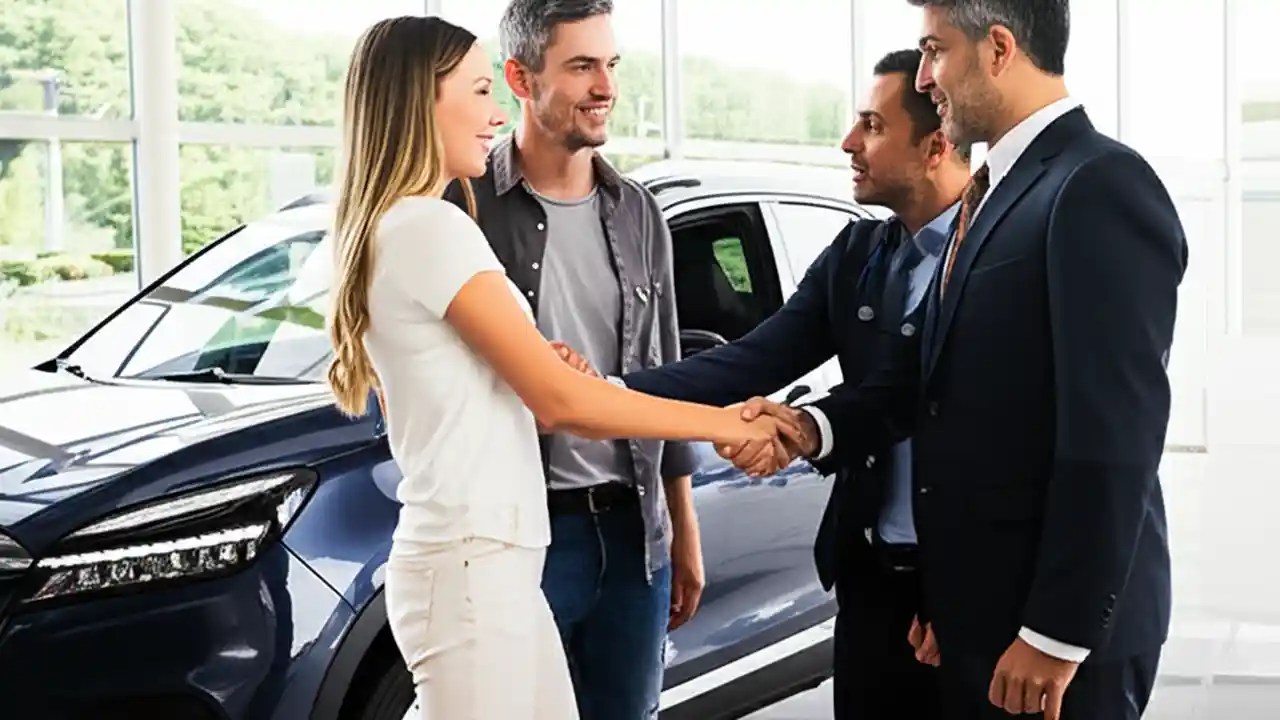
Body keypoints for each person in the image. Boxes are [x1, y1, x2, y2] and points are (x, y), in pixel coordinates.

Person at [721, 1, 1188, 718]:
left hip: (1056, 648)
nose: (925, 78)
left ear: (998, 48)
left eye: (935, 51)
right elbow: (934, 389)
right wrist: (814, 429)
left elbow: (1114, 440)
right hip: (986, 614)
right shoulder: (995, 194)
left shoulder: (1096, 185)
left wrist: (1056, 634)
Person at [323, 16, 793, 720]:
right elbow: (562, 403)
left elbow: (472, 393)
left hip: (490, 565)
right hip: (473, 568)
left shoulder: (404, 227)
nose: (494, 115)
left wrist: (536, 371)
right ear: (422, 100)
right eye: (480, 91)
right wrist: (727, 423)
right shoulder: (431, 226)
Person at [566, 48, 970, 719]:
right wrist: (603, 392)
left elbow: (933, 401)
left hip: (964, 584)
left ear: (935, 146)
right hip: (871, 582)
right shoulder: (856, 255)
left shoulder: (993, 256)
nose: (848, 142)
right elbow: (749, 363)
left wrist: (803, 429)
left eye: (872, 125)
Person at [440, 2, 704, 717]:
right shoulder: (461, 207)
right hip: (520, 539)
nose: (605, 86)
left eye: (610, 64)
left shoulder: (639, 212)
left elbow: (662, 376)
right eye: (582, 66)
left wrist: (682, 531)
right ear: (520, 78)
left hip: (633, 536)